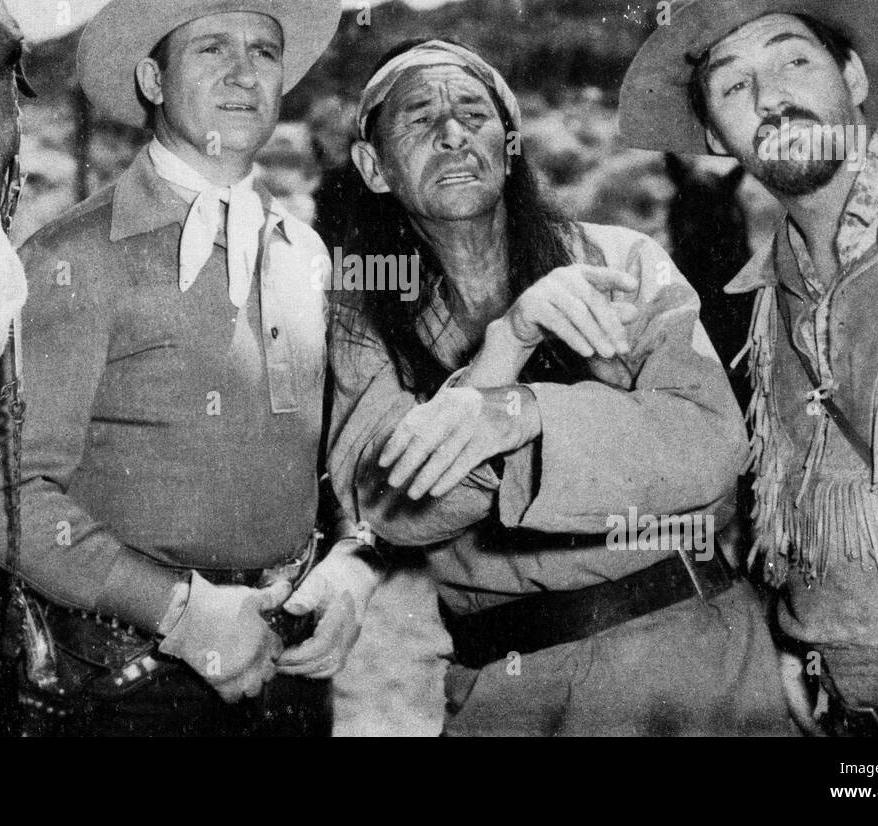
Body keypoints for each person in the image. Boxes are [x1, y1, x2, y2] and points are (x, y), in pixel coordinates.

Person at [0, 0, 381, 737]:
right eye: (211, 47)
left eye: (264, 50)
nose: (244, 72)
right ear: (152, 79)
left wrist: (353, 570)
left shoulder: (306, 254)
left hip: (291, 674)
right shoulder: (70, 258)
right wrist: (181, 611)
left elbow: (351, 461)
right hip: (125, 688)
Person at [326, 37, 790, 735]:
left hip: (693, 665)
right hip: (512, 697)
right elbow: (390, 508)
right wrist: (506, 346)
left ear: (511, 146)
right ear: (374, 167)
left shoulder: (621, 259)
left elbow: (710, 440)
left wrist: (526, 412)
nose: (452, 135)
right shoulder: (362, 315)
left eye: (475, 115)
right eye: (419, 120)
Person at [620, 0, 878, 736]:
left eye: (794, 59)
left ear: (856, 79)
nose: (769, 98)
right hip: (840, 712)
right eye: (733, 87)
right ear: (715, 136)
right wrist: (790, 647)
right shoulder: (767, 301)